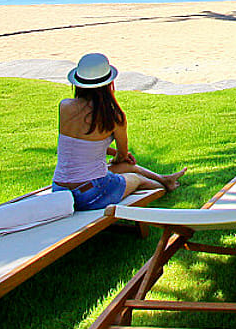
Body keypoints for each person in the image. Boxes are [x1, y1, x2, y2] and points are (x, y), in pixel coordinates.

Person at [52, 52, 186, 211]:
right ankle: (165, 188)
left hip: (60, 190)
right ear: (109, 83)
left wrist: (114, 154)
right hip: (91, 194)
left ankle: (164, 179)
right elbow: (122, 156)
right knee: (136, 178)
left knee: (127, 167)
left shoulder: (65, 106)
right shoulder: (114, 116)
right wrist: (118, 157)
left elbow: (79, 145)